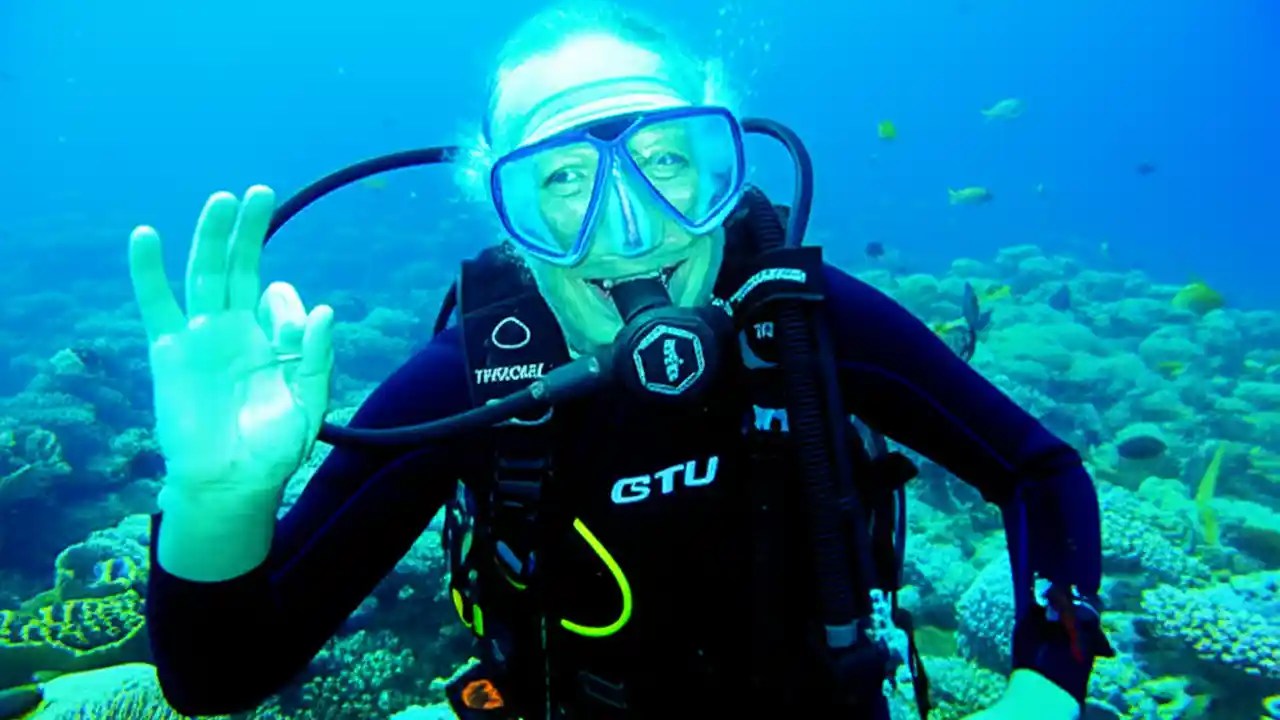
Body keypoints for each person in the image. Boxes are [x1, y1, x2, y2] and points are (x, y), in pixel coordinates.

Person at [130, 3, 1112, 719]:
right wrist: (217, 498)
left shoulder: (802, 324)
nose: (631, 228)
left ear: (719, 172)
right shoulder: (479, 379)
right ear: (508, 215)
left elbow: (1039, 471)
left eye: (666, 160)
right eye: (564, 178)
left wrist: (1045, 683)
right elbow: (218, 676)